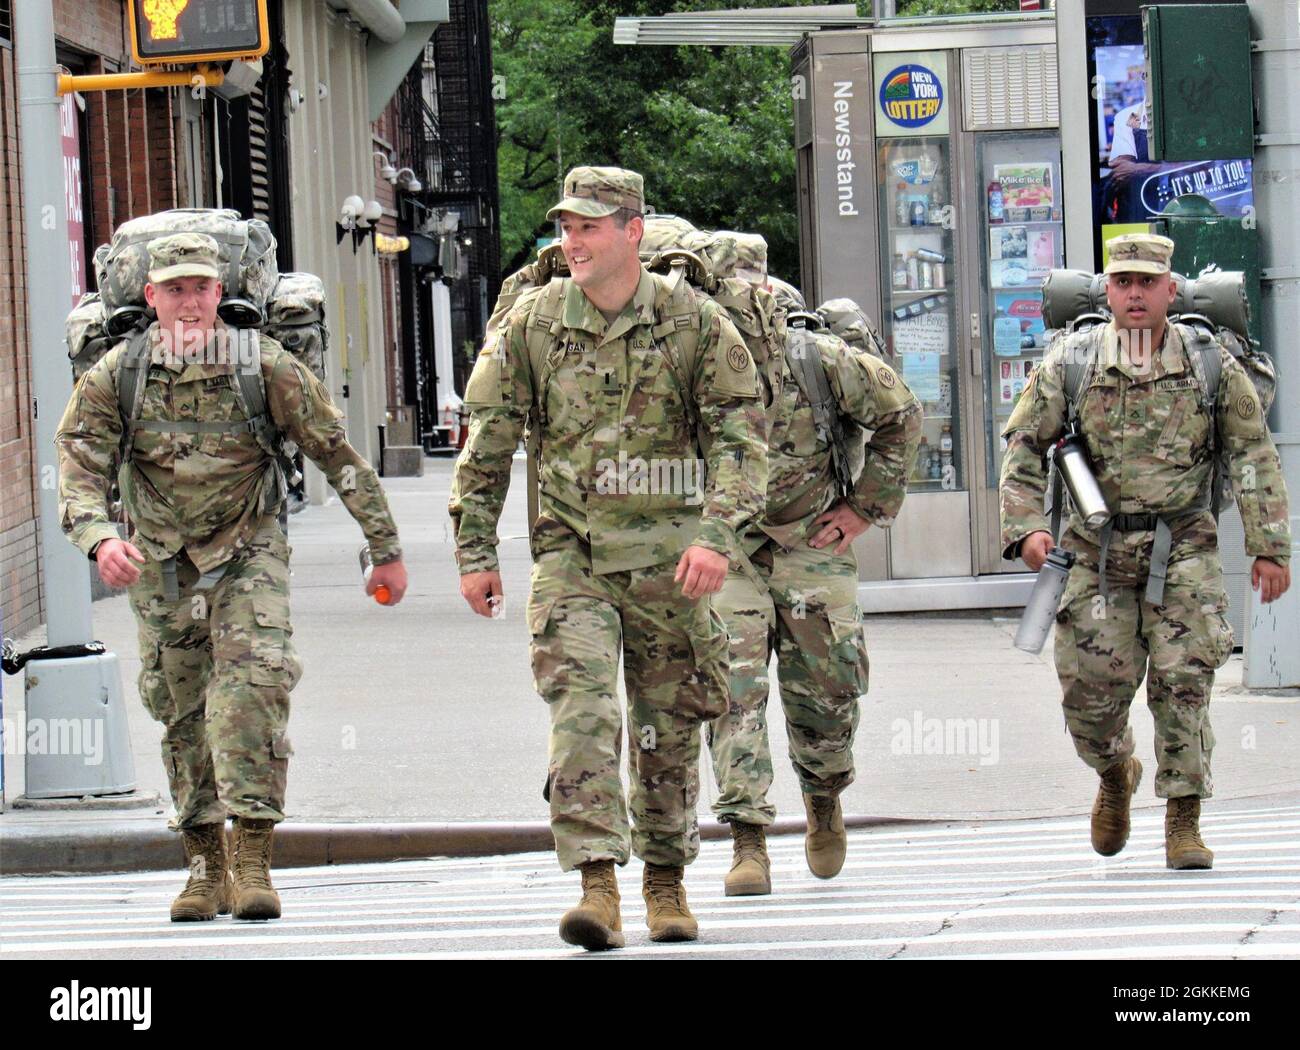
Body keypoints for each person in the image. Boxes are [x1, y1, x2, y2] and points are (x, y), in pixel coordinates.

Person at [449, 166, 767, 950]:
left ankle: (665, 880)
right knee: (582, 713)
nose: (573, 241)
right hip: (573, 553)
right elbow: (488, 438)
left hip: (671, 558)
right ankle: (598, 885)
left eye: (589, 226)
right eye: (567, 227)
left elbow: (741, 441)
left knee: (667, 727)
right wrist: (475, 547)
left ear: (633, 231)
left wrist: (716, 537)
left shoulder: (693, 323)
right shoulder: (533, 322)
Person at [56, 232, 407, 921]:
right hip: (161, 560)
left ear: (220, 293)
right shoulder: (118, 375)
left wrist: (384, 546)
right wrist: (99, 539)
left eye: (201, 288)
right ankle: (203, 867)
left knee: (253, 688)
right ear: (151, 297)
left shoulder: (264, 367)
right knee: (180, 710)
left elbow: (337, 455)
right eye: (175, 290)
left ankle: (252, 858)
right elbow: (79, 467)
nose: (189, 303)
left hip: (249, 549)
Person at [999, 232, 1291, 869]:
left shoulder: (1210, 363)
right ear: (1107, 291)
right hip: (1094, 550)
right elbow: (1023, 446)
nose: (1135, 294)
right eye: (1123, 282)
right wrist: (1026, 527)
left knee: (1184, 682)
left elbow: (1252, 453)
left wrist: (1270, 547)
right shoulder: (1072, 361)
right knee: (1089, 694)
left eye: (1147, 282)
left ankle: (1183, 819)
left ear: (1170, 289)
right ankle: (1115, 772)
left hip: (1183, 544)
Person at [708, 275, 922, 895]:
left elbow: (902, 416)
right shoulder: (692, 357)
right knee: (732, 688)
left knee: (826, 693)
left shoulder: (817, 359)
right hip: (730, 549)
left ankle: (824, 796)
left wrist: (866, 507)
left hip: (812, 541)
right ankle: (747, 838)